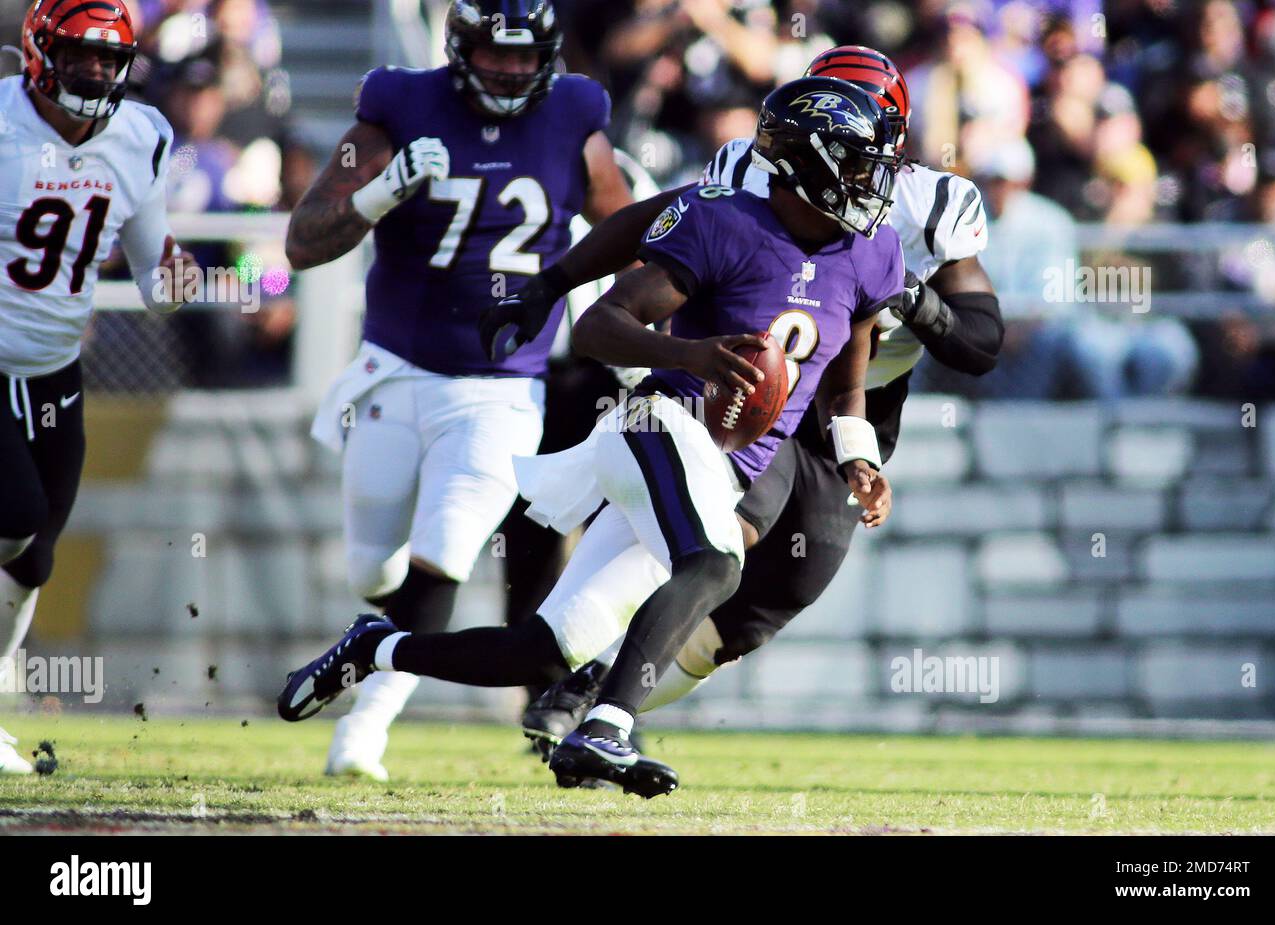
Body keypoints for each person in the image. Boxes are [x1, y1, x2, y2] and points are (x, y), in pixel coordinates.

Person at [278, 76, 906, 797]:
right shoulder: (727, 221)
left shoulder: (873, 252)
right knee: (715, 563)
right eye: (858, 163)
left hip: (722, 467)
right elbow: (600, 325)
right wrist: (693, 355)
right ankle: (605, 729)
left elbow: (844, 381)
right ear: (806, 162)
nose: (872, 181)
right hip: (657, 423)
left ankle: (375, 646)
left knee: (544, 651)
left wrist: (858, 456)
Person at [507, 47, 1002, 749]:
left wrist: (909, 296)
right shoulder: (754, 168)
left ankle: (605, 688)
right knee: (715, 537)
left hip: (854, 403)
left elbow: (980, 343)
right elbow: (652, 219)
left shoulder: (935, 203)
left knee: (779, 592)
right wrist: (552, 283)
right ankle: (599, 697)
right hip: (751, 387)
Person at [282, 0, 633, 782]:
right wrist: (381, 194)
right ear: (458, 47)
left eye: (524, 55)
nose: (511, 70)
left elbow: (626, 238)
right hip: (394, 370)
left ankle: (363, 730)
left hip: (502, 389)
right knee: (373, 571)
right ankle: (370, 633)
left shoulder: (576, 113)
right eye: (494, 54)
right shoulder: (399, 104)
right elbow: (301, 243)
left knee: (445, 555)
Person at [0, 0, 196, 773]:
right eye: (78, 54)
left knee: (33, 556)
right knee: (11, 517)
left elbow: (157, 275)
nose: (94, 71)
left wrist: (192, 280)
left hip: (53, 369)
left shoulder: (141, 137)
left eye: (107, 58)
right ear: (40, 51)